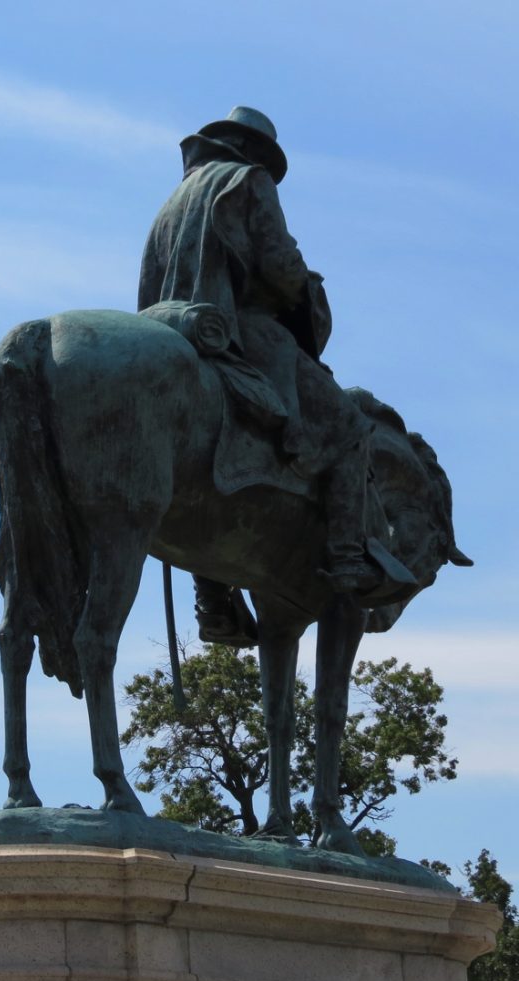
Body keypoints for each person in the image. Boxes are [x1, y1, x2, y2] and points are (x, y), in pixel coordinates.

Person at [138, 107, 383, 642]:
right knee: (349, 427)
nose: (268, 170)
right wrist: (307, 288)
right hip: (236, 327)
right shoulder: (247, 181)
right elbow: (279, 263)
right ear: (252, 151)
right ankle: (345, 562)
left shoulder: (171, 201)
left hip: (170, 328)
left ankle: (212, 602)